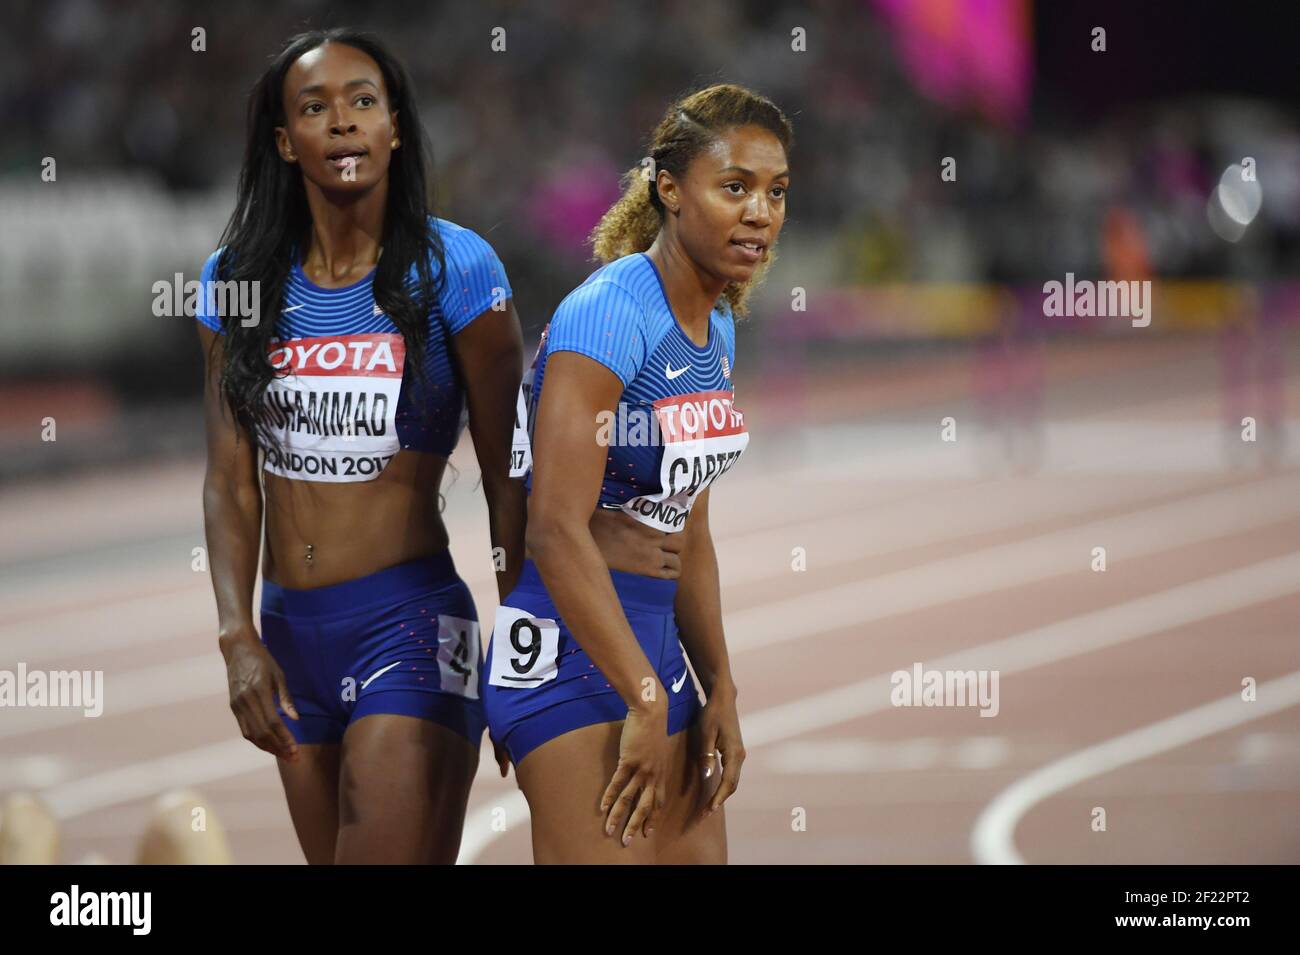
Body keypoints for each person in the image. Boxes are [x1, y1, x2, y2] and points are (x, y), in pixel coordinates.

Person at [195, 28, 525, 864]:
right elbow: (232, 482)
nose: (342, 123)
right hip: (288, 634)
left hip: (408, 625)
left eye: (363, 102)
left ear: (396, 128)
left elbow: (506, 476)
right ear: (284, 140)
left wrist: (527, 648)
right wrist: (238, 637)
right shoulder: (236, 279)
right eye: (315, 107)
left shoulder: (458, 268)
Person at [481, 84, 793, 863]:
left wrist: (719, 681)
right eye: (735, 188)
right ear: (668, 190)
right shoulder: (613, 315)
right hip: (568, 647)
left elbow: (692, 527)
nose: (760, 212)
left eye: (775, 192)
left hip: (655, 651)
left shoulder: (716, 322)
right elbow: (553, 529)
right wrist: (643, 696)